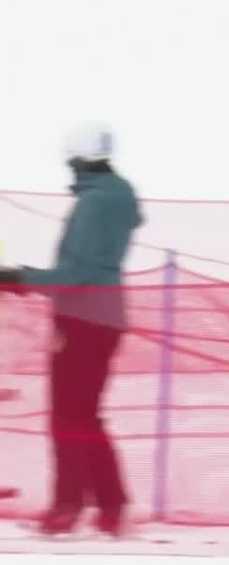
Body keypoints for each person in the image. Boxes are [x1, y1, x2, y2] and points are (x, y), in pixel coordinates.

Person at [0, 122, 142, 536]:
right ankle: (112, 507)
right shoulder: (118, 196)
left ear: (77, 159)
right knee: (85, 416)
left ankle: (68, 507)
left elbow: (75, 274)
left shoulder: (94, 203)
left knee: (68, 418)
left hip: (82, 319)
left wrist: (18, 277)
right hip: (105, 317)